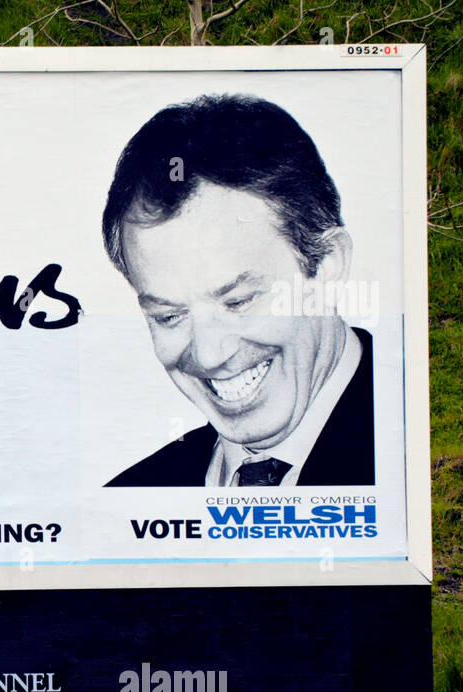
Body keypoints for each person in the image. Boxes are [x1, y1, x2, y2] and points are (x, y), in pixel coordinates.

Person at [102, 94, 374, 488]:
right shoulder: (134, 494)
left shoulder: (418, 449)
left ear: (326, 267)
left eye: (238, 301)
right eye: (169, 316)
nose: (210, 355)